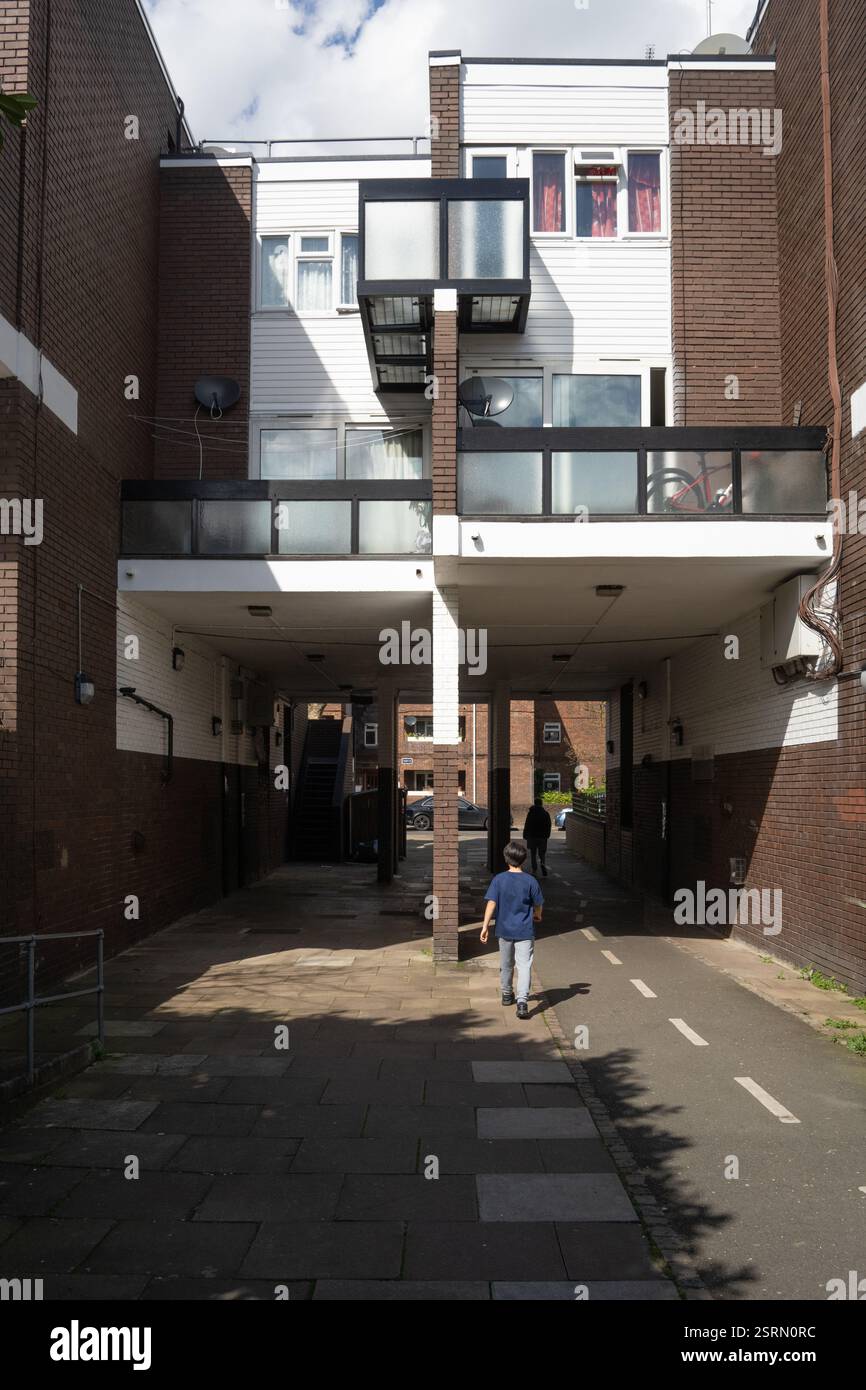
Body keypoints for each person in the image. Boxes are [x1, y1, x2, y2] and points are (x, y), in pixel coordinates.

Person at [480, 840, 543, 1020]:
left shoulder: (499, 880)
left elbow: (491, 903)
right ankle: (522, 1003)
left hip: (504, 930)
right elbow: (538, 904)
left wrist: (485, 926)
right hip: (525, 930)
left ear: (506, 859)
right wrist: (537, 915)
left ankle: (507, 994)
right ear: (523, 860)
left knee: (506, 964)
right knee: (524, 966)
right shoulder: (531, 881)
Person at [522, 797, 551, 876]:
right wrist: (547, 835)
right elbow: (548, 825)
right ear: (541, 804)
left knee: (533, 854)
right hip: (542, 837)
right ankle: (542, 864)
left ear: (534, 803)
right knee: (542, 853)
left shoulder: (531, 813)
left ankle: (534, 869)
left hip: (532, 836)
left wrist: (525, 834)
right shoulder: (545, 813)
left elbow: (527, 824)